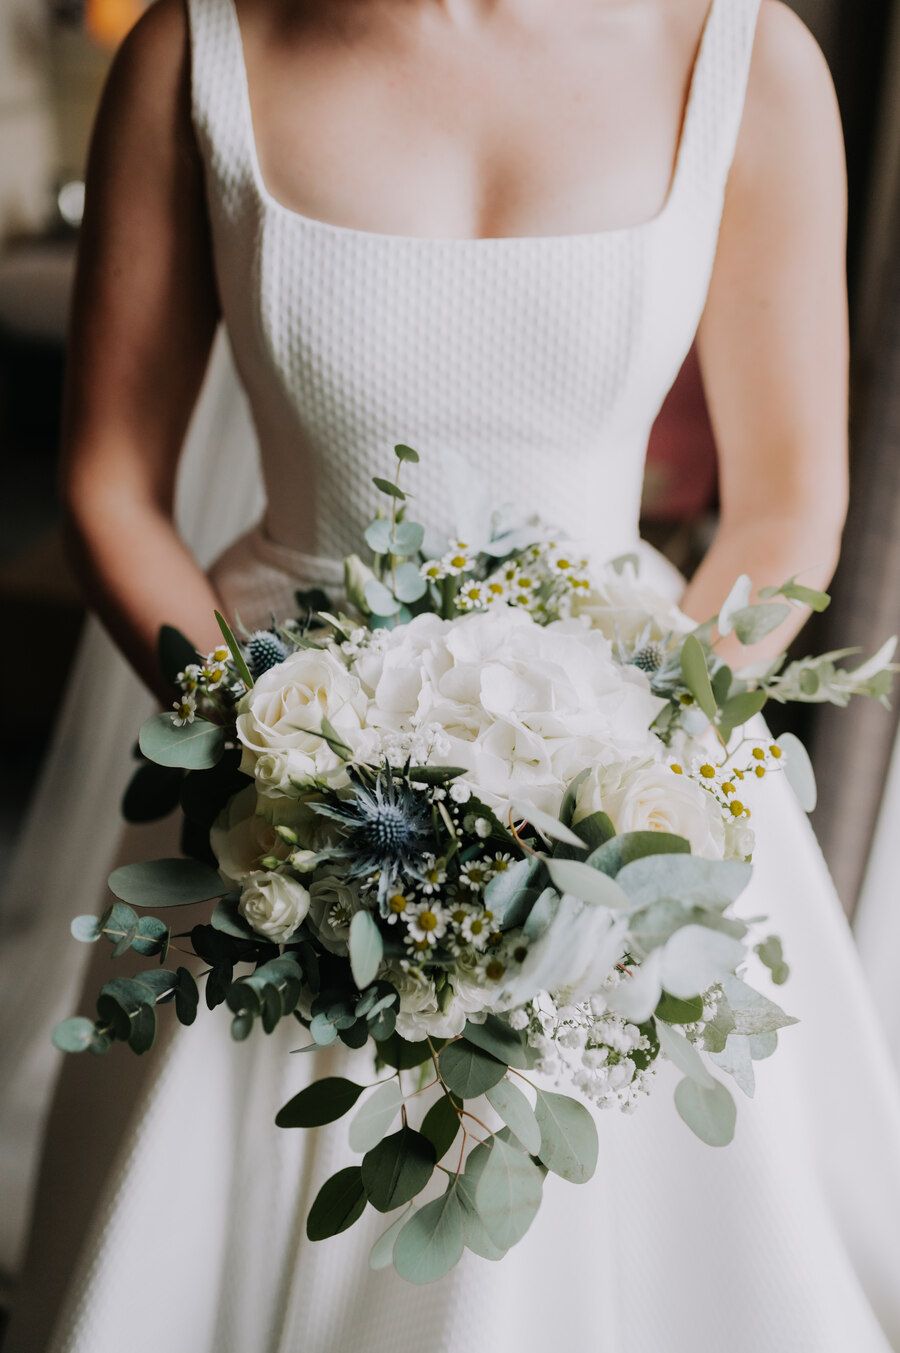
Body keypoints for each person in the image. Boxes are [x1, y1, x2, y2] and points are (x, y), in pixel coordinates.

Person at [6, 0, 900, 1348]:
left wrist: (625, 790)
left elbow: (787, 509)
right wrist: (272, 754)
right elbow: (110, 486)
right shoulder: (198, 51)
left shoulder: (744, 55)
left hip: (624, 769)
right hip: (266, 761)